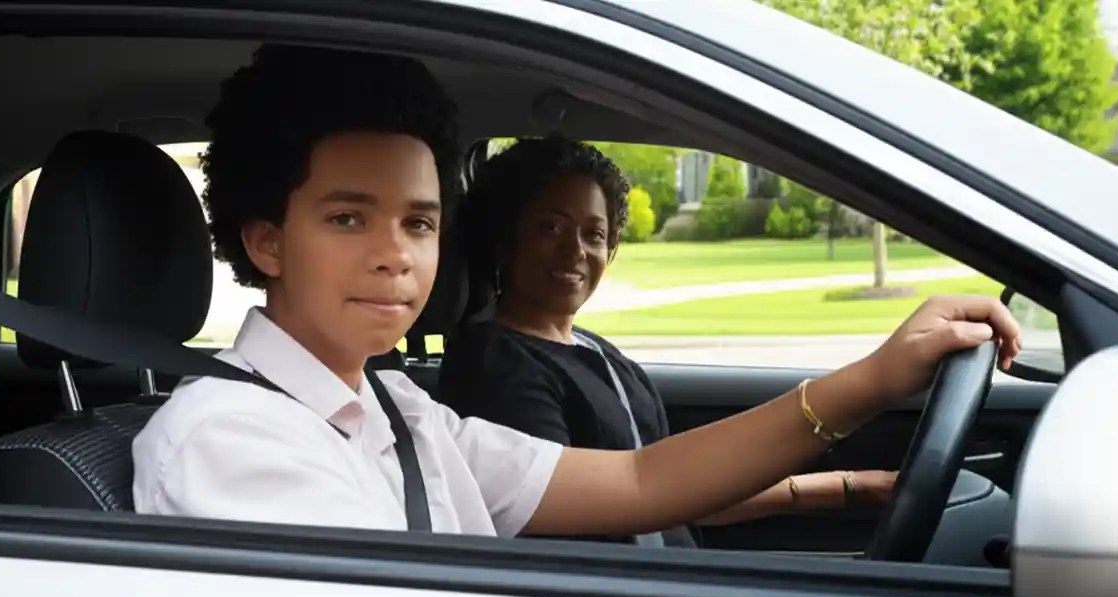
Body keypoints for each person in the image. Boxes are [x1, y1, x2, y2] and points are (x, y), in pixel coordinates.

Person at [132, 44, 1021, 541]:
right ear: (265, 239)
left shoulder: (398, 406)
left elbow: (636, 479)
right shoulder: (231, 438)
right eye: (347, 218)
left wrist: (869, 380)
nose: (395, 256)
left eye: (420, 222)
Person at [437, 137, 895, 543]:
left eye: (594, 234)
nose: (576, 250)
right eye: (550, 228)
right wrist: (846, 477)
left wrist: (849, 486)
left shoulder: (595, 351)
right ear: (503, 241)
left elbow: (686, 489)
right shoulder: (496, 368)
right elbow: (606, 513)